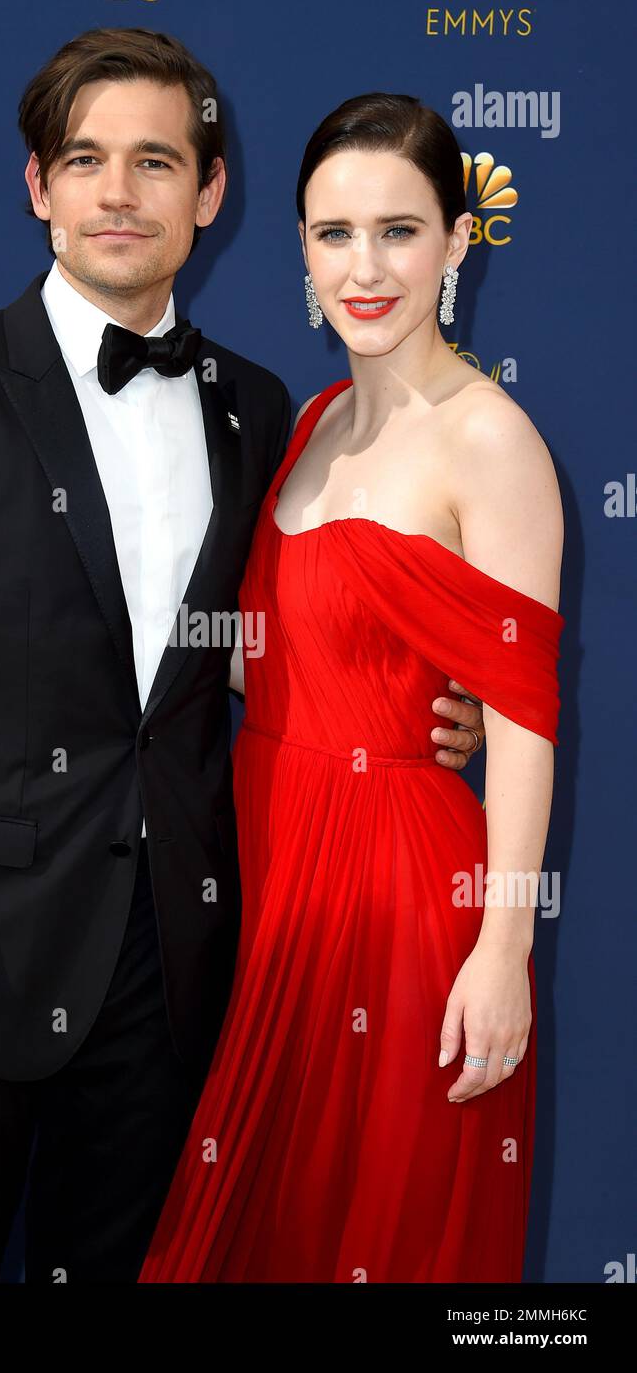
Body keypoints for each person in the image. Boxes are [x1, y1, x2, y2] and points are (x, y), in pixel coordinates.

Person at [0, 34, 483, 1284]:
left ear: (210, 195)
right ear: (39, 188)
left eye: (155, 161)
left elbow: (254, 640)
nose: (119, 192)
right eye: (86, 160)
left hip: (177, 974)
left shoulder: (261, 405)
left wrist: (425, 706)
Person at [139, 92, 564, 1283]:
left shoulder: (492, 441)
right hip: (276, 874)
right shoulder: (314, 419)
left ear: (458, 243)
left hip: (401, 901)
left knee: (376, 1228)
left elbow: (526, 720)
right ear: (301, 251)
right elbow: (268, 643)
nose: (364, 268)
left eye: (399, 230)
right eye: (334, 233)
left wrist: (502, 950)